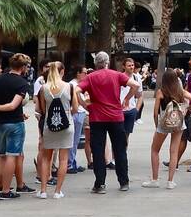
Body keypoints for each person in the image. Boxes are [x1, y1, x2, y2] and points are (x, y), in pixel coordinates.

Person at [78, 51, 135, 194]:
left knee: (98, 151)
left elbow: (76, 90)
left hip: (97, 117)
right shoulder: (116, 75)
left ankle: (100, 184)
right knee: (120, 150)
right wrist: (127, 99)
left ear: (96, 64)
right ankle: (124, 182)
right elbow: (135, 85)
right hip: (116, 117)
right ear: (107, 62)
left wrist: (85, 106)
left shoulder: (91, 77)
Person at [0, 53, 32, 200]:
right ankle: (6, 190)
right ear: (23, 67)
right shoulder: (22, 83)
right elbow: (13, 105)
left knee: (1, 155)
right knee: (12, 156)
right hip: (15, 123)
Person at [36, 61, 77, 198]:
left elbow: (42, 109)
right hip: (67, 125)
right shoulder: (69, 87)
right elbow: (75, 108)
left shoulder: (43, 88)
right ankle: (58, 191)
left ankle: (43, 191)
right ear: (62, 71)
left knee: (46, 158)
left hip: (49, 125)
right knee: (63, 158)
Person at [144, 68, 186, 189]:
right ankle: (170, 181)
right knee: (173, 152)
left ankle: (155, 180)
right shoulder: (180, 91)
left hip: (164, 124)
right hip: (178, 124)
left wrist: (157, 126)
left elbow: (155, 112)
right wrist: (186, 110)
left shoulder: (160, 92)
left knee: (155, 150)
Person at [121, 55, 144, 138]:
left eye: (132, 65)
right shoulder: (119, 77)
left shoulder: (137, 78)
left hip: (131, 110)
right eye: (129, 65)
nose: (131, 67)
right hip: (120, 110)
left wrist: (136, 110)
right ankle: (116, 151)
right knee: (119, 136)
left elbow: (140, 96)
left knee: (126, 135)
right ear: (124, 66)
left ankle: (124, 151)